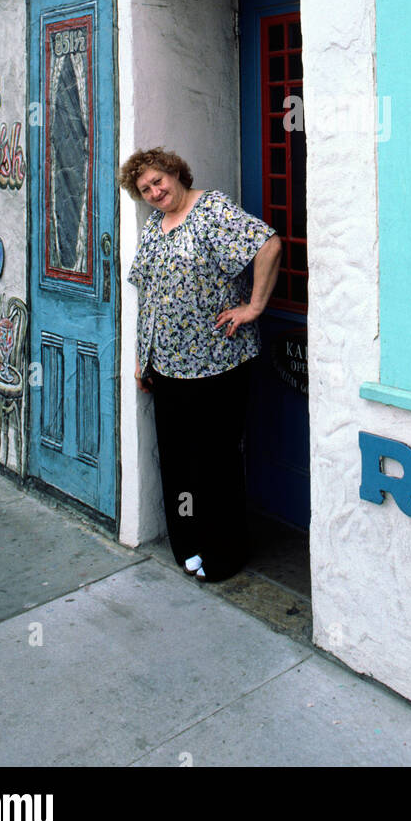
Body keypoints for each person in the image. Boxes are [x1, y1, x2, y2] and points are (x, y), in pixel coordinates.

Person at [119, 146, 281, 582]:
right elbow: (149, 293)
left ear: (176, 172)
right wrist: (142, 356)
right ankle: (188, 544)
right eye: (145, 188)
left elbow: (267, 244)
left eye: (158, 181)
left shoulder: (211, 209)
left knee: (215, 460)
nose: (155, 191)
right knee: (177, 459)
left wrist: (254, 306)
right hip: (166, 366)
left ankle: (223, 554)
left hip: (216, 363)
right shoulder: (157, 224)